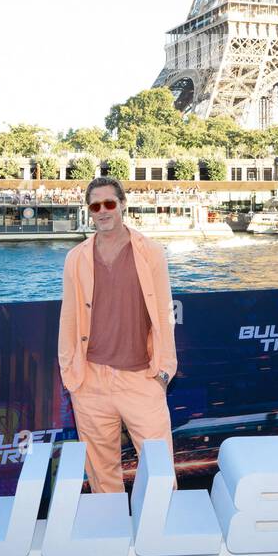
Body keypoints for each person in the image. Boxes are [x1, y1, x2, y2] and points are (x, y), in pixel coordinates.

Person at [58, 176, 177, 493]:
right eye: (95, 205)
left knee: (159, 470)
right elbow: (68, 318)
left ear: (123, 205)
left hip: (141, 379)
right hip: (90, 381)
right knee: (101, 475)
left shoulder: (150, 253)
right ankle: (109, 533)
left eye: (109, 203)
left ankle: (162, 536)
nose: (103, 211)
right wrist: (72, 375)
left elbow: (165, 314)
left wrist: (164, 371)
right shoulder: (76, 258)